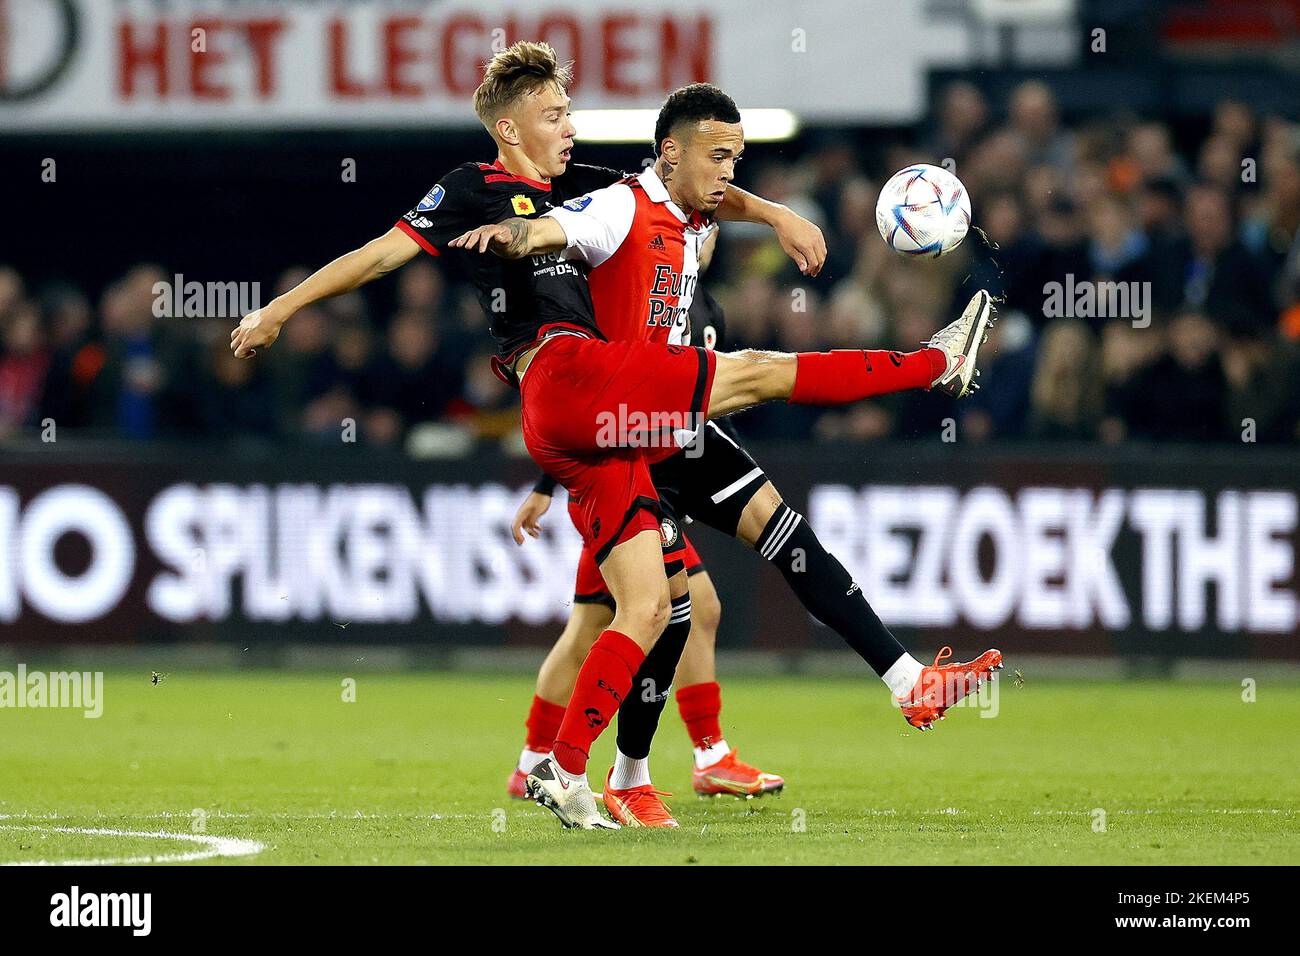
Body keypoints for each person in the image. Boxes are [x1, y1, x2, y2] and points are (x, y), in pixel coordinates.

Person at [232, 44, 997, 829]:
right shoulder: (474, 191)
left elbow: (693, 193)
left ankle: (570, 771)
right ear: (507, 128)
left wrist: (772, 213)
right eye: (554, 114)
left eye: (570, 111)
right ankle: (937, 363)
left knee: (654, 605)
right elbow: (377, 256)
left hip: (599, 409)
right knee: (751, 382)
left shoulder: (596, 189)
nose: (571, 127)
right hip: (574, 378)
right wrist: (279, 311)